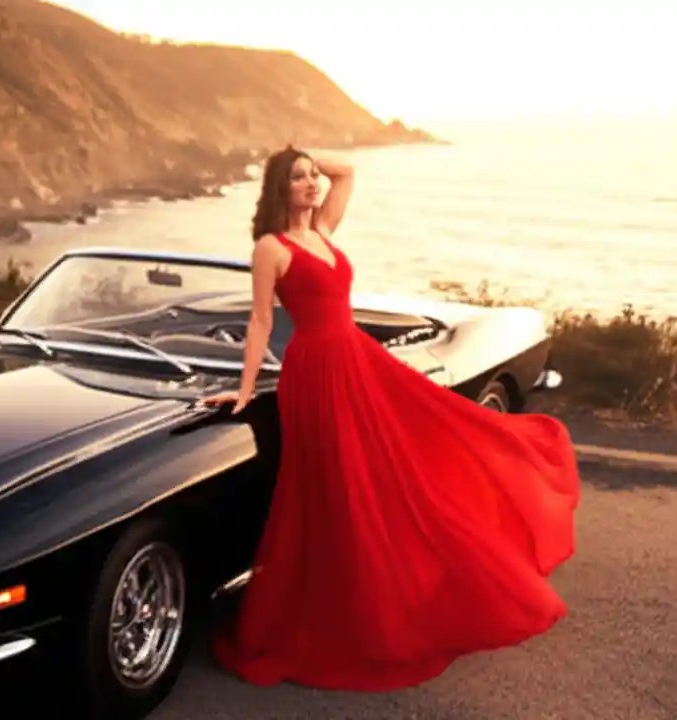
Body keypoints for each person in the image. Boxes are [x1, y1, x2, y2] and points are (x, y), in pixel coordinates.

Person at [201, 145, 581, 692]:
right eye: (298, 179)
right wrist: (241, 392)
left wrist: (301, 147)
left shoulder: (324, 232)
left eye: (312, 176)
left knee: (398, 465)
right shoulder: (271, 248)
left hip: (356, 362)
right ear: (279, 190)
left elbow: (347, 171)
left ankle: (384, 593)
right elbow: (260, 321)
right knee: (335, 491)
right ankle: (331, 617)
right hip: (315, 373)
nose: (311, 184)